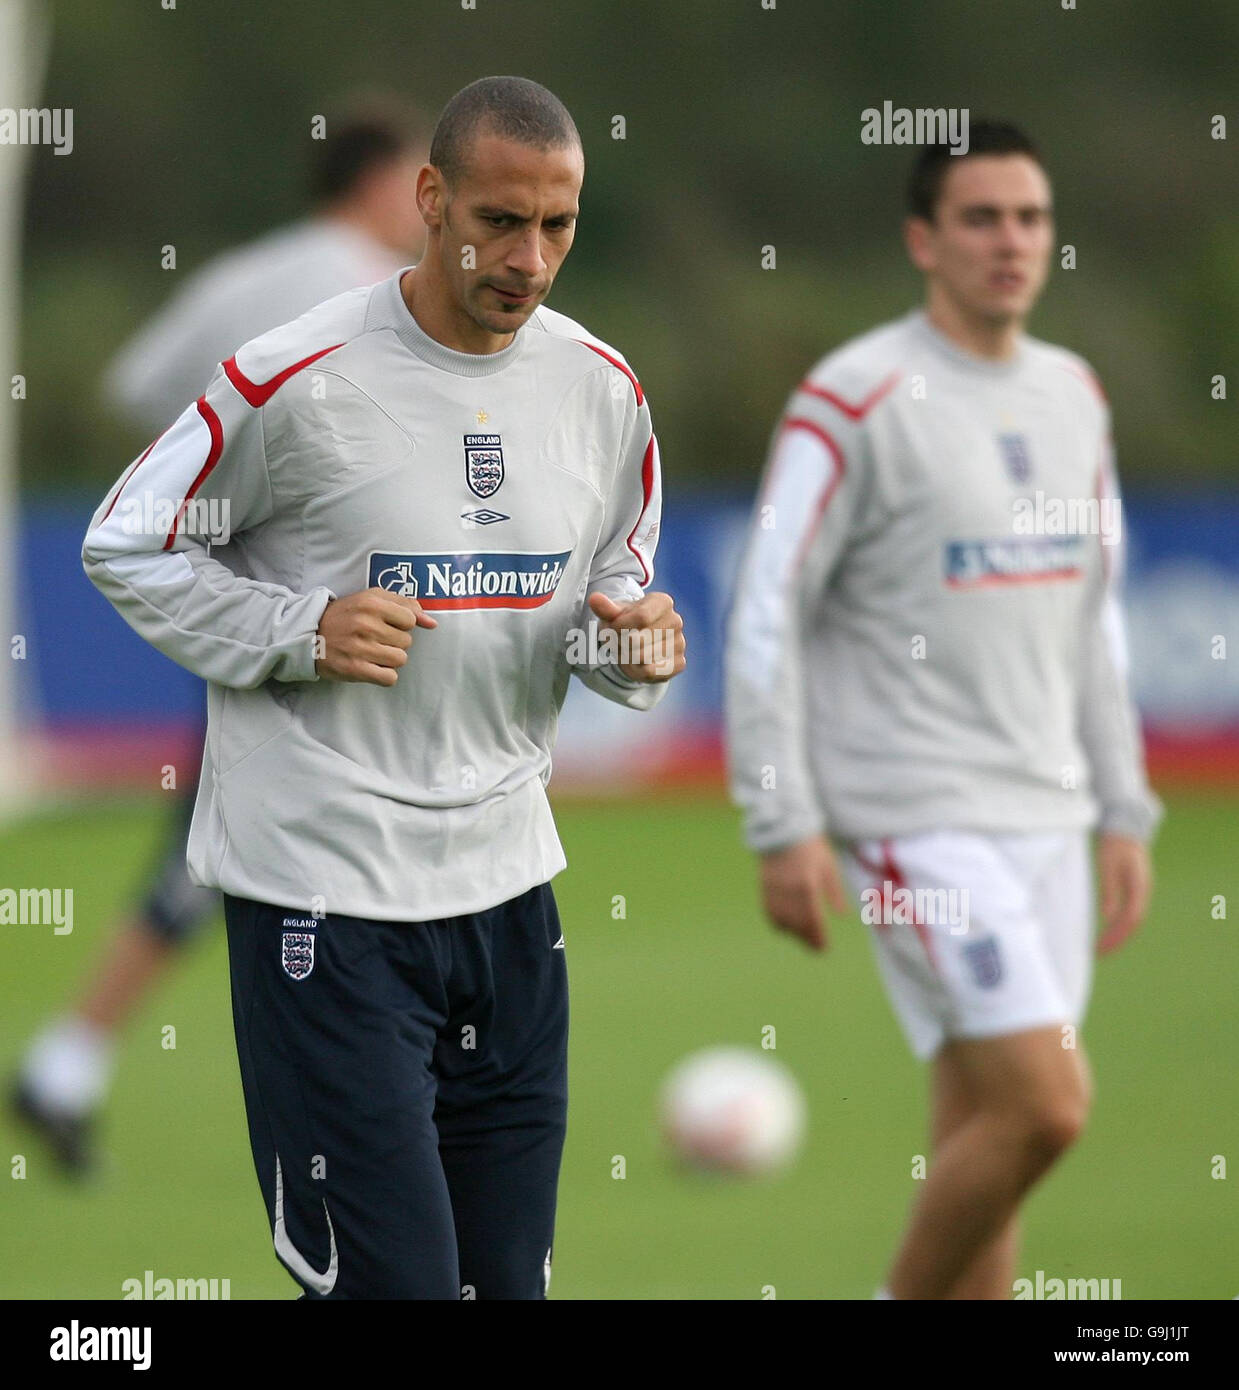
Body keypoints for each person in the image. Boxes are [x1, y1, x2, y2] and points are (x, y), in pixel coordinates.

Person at [80, 75, 685, 1300]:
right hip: (327, 900)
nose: (529, 256)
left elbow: (610, 593)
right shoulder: (289, 375)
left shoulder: (602, 392)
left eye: (558, 225)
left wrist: (632, 650)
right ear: (428, 198)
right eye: (499, 220)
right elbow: (127, 541)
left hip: (511, 896)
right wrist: (300, 626)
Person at [724, 122, 1159, 1300]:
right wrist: (779, 817)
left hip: (1051, 815)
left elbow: (1096, 621)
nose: (1011, 240)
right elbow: (767, 608)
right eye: (981, 217)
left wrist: (1124, 806)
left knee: (990, 1131)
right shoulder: (854, 397)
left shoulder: (1074, 394)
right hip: (913, 810)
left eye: (1030, 217)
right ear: (924, 238)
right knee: (1049, 1106)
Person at [13, 97, 429, 1174]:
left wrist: (211, 499)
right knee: (278, 855)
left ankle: (66, 1062)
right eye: (423, 179)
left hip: (234, 610)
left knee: (225, 850)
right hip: (336, 625)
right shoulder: (371, 294)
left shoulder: (241, 276)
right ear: (381, 183)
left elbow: (138, 389)